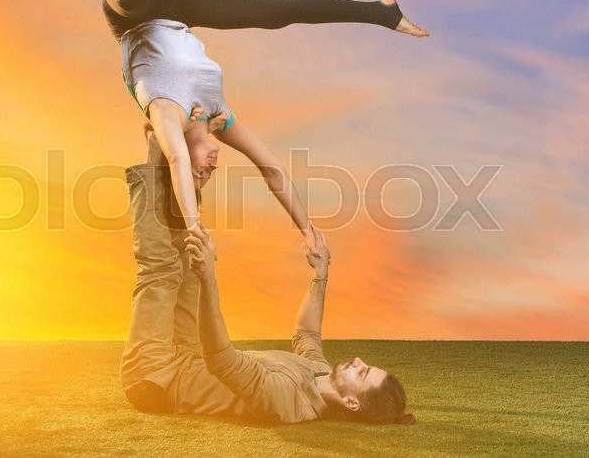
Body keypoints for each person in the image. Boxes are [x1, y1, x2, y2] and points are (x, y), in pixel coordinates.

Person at [90, 0, 430, 256]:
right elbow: (271, 169)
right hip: (180, 10)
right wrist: (306, 228)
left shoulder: (166, 110)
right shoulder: (220, 117)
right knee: (274, 13)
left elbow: (178, 157)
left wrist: (194, 227)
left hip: (131, 18)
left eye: (199, 173)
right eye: (206, 179)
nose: (210, 170)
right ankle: (382, 13)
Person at [120, 131, 415, 424]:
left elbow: (221, 359)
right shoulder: (318, 370)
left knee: (161, 271)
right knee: (185, 259)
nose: (359, 362)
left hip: (157, 378)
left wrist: (208, 274)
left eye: (363, 373)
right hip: (188, 355)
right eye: (367, 365)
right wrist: (321, 274)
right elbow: (307, 335)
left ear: (352, 402)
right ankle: (167, 156)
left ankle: (155, 152)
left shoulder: (286, 401)